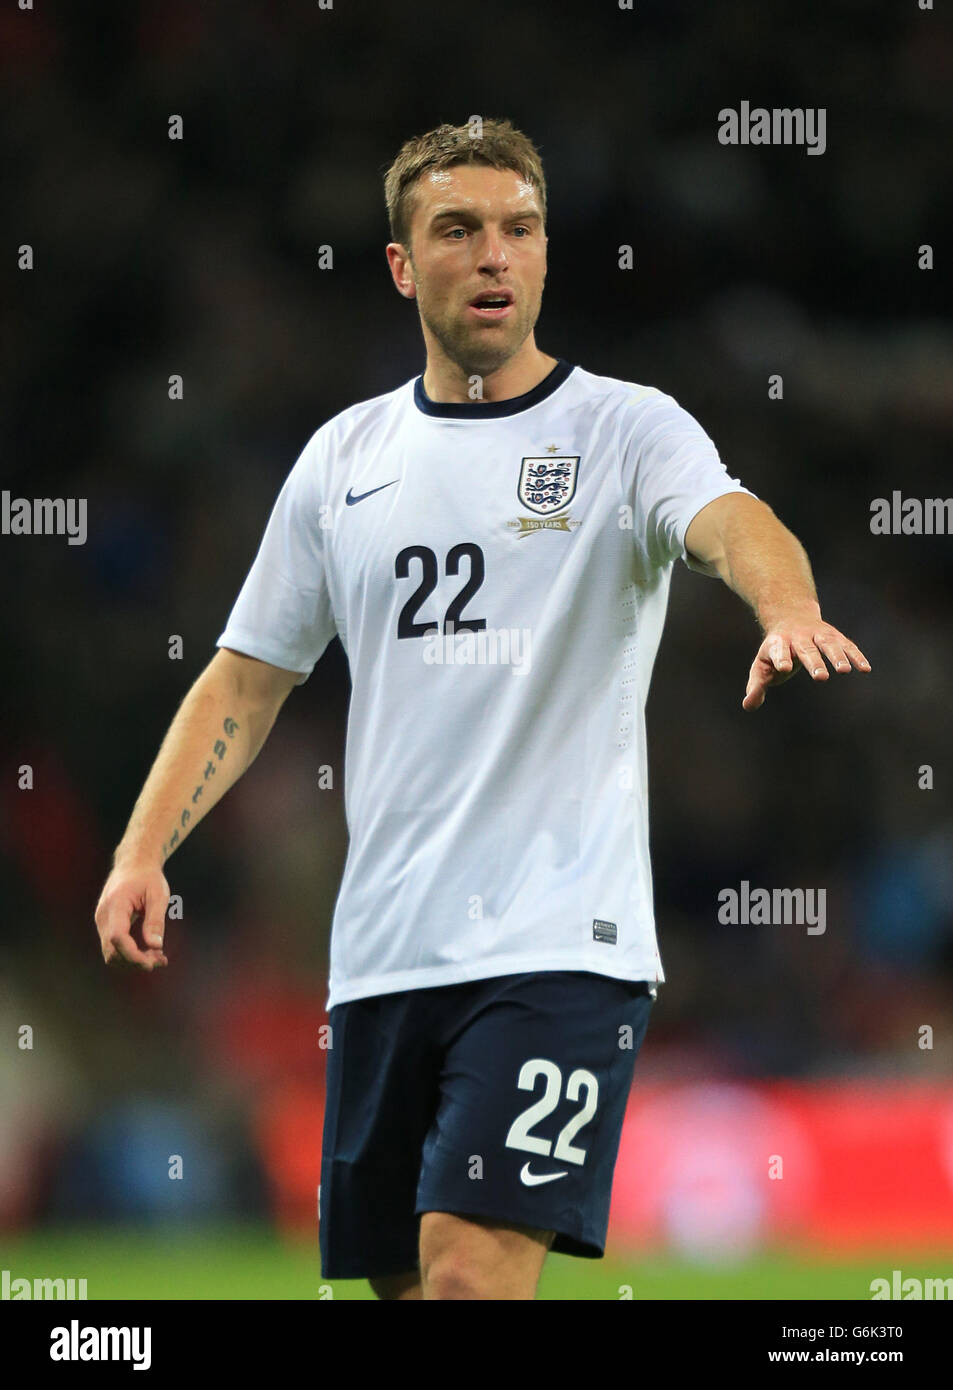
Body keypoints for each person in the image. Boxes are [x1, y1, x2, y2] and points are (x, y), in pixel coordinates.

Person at [94, 118, 870, 1300]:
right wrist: (143, 848)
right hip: (383, 956)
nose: (492, 254)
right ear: (403, 265)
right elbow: (246, 679)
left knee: (465, 1281)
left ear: (548, 255)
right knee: (408, 1288)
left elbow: (726, 519)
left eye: (517, 229)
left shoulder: (622, 429)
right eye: (456, 230)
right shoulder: (342, 460)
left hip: (557, 944)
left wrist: (786, 603)